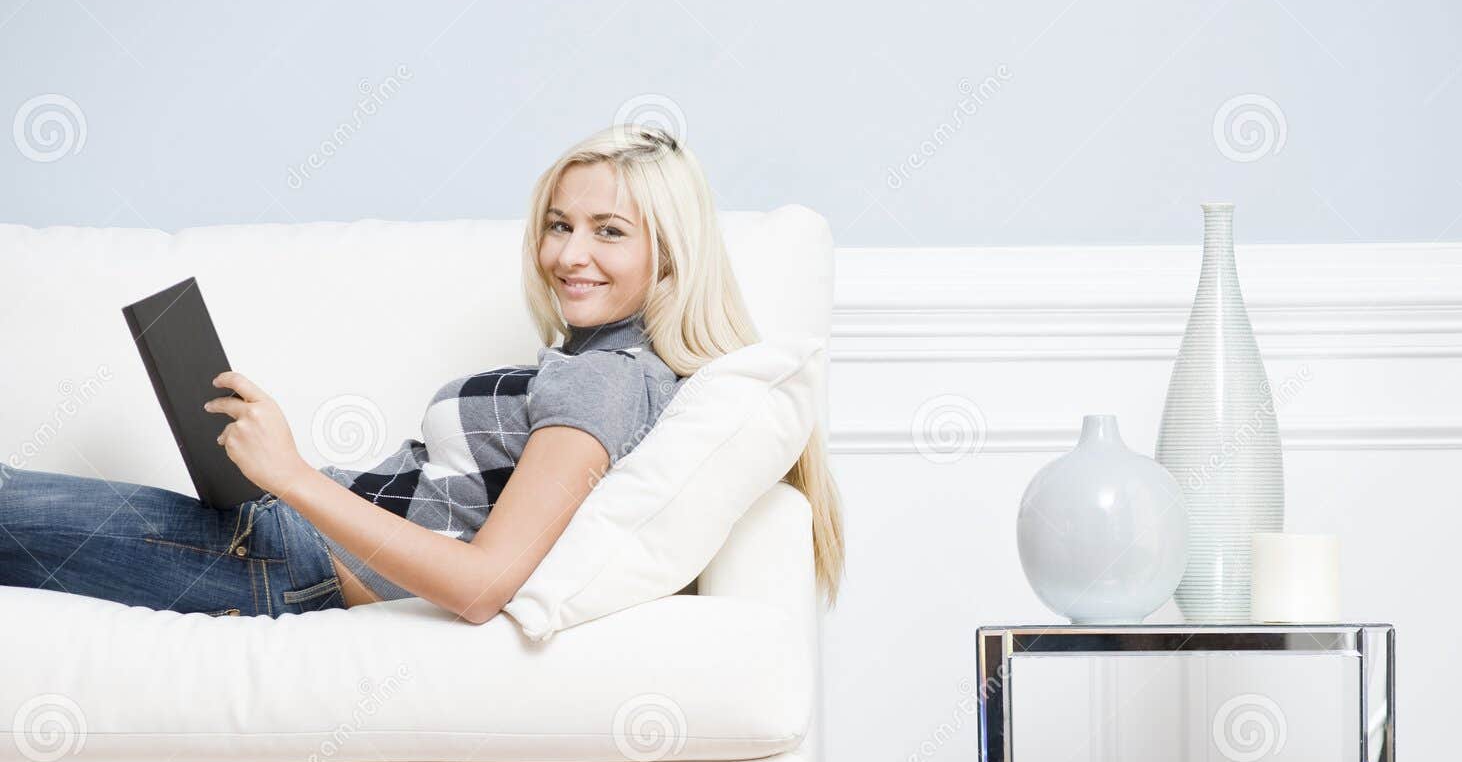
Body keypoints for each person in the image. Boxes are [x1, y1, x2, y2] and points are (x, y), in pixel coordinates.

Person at [0, 125, 843, 622]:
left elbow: (481, 586)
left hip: (286, 562)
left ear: (670, 255)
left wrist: (289, 477)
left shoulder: (607, 379)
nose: (569, 254)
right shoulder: (601, 365)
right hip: (280, 541)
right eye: (558, 225)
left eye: (608, 231)